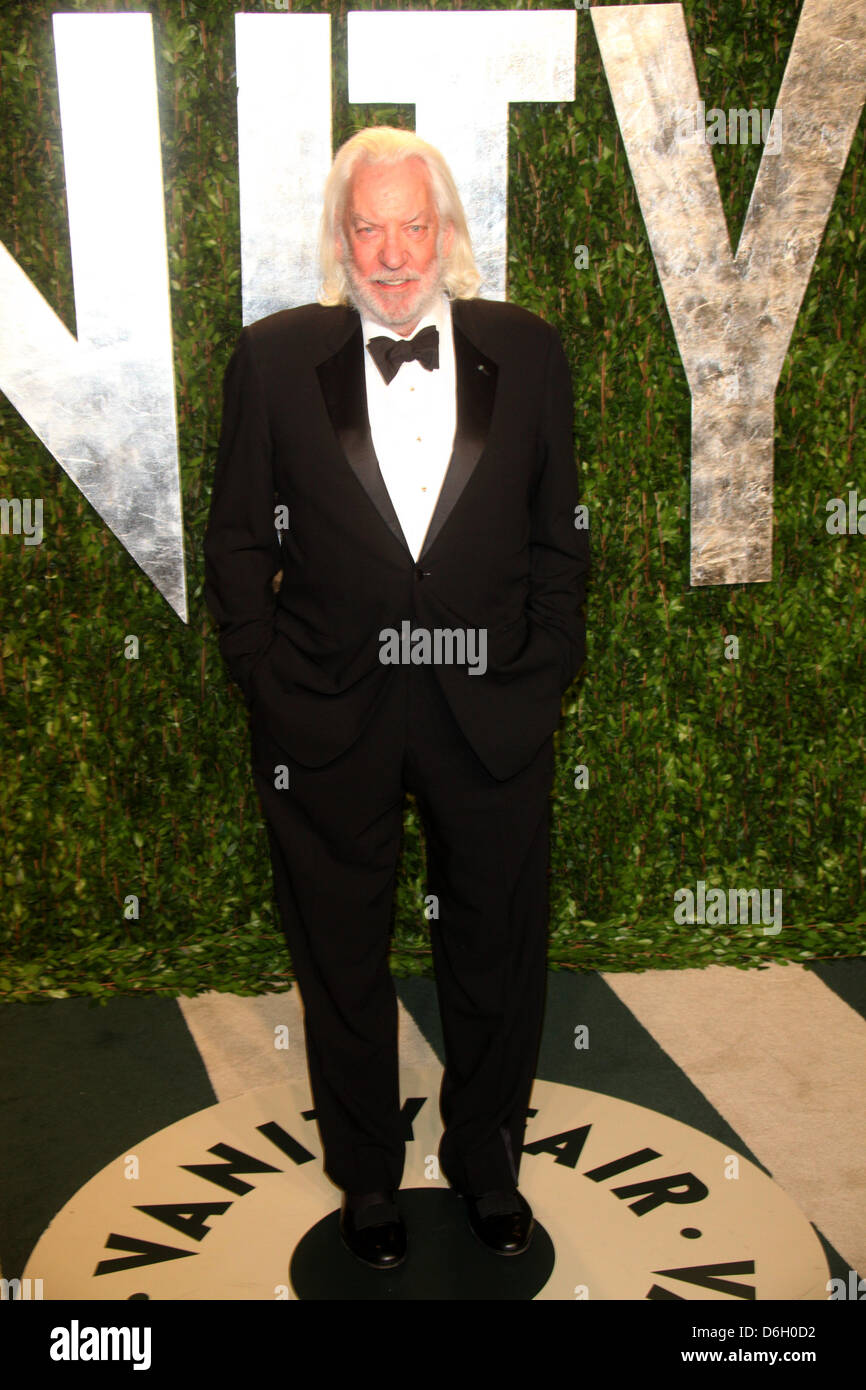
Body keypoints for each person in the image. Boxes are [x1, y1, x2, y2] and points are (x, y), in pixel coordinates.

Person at [204, 126, 589, 1271]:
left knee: (496, 949)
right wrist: (266, 677)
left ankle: (486, 1165)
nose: (388, 252)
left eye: (409, 224)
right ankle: (366, 1176)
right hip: (329, 710)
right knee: (339, 952)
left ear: (446, 231)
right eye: (364, 227)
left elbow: (559, 537)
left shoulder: (527, 351)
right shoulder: (273, 360)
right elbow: (235, 541)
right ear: (339, 238)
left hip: (490, 711)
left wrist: (541, 675)